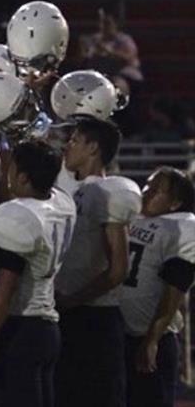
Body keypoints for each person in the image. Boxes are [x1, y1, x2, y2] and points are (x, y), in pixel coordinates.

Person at [0, 140, 76, 407]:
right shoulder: (63, 203)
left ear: (23, 177)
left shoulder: (16, 216)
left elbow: (7, 284)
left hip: (20, 328)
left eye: (13, 168)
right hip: (48, 329)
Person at [54, 117, 142, 407]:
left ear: (93, 147)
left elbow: (118, 269)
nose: (68, 146)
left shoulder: (108, 192)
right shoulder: (78, 192)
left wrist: (74, 300)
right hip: (72, 313)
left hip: (95, 319)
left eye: (75, 141)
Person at [120, 167, 195, 407]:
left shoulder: (183, 226)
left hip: (151, 338)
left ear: (175, 204)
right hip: (119, 334)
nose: (147, 192)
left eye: (157, 190)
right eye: (147, 185)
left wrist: (152, 339)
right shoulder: (133, 216)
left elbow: (176, 285)